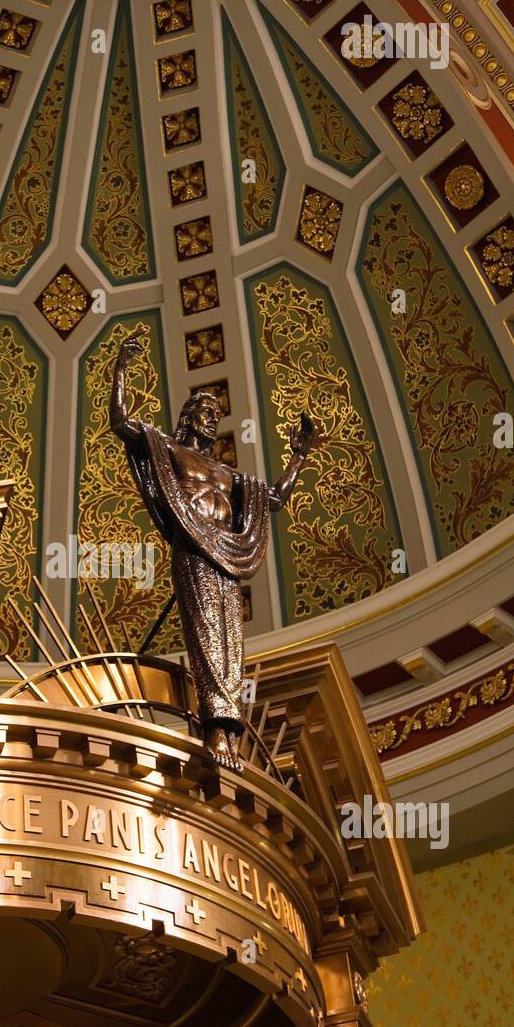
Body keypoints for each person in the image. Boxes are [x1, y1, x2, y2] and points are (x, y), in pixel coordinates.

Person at [109, 324, 315, 771]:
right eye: (203, 409)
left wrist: (298, 456)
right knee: (205, 634)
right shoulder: (168, 450)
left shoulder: (229, 474)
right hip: (193, 547)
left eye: (215, 412)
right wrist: (122, 369)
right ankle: (216, 730)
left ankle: (229, 729)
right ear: (188, 417)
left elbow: (273, 499)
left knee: (230, 639)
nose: (210, 416)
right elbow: (122, 424)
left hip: (226, 551)